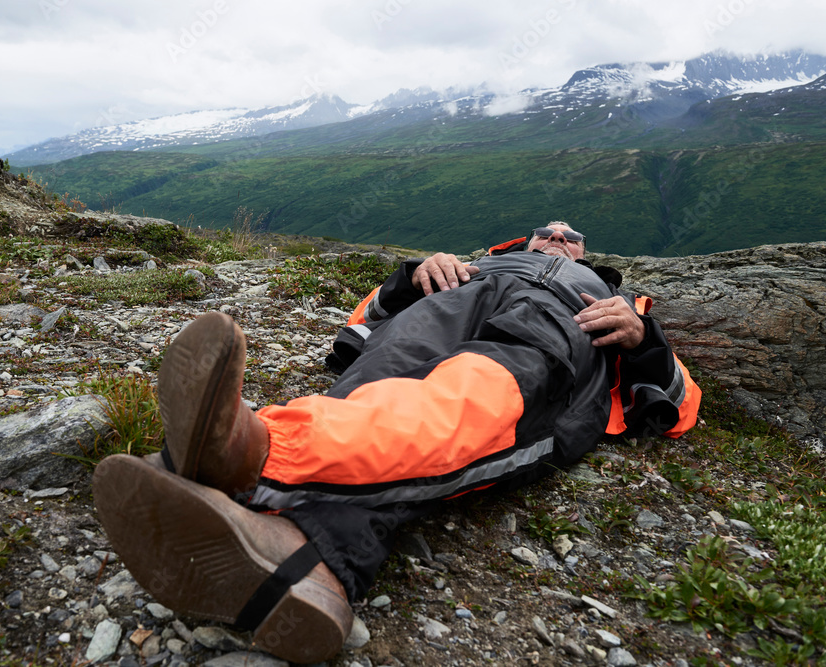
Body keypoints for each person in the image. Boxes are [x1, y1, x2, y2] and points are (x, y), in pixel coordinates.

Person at [93, 222, 701, 664]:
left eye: (572, 238)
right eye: (549, 233)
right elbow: (358, 333)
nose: (559, 237)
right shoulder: (472, 260)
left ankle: (258, 451)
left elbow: (677, 407)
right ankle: (305, 565)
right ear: (527, 241)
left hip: (561, 320)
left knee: (477, 393)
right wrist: (407, 281)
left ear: (586, 256)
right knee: (376, 383)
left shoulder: (617, 300)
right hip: (452, 297)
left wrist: (644, 339)